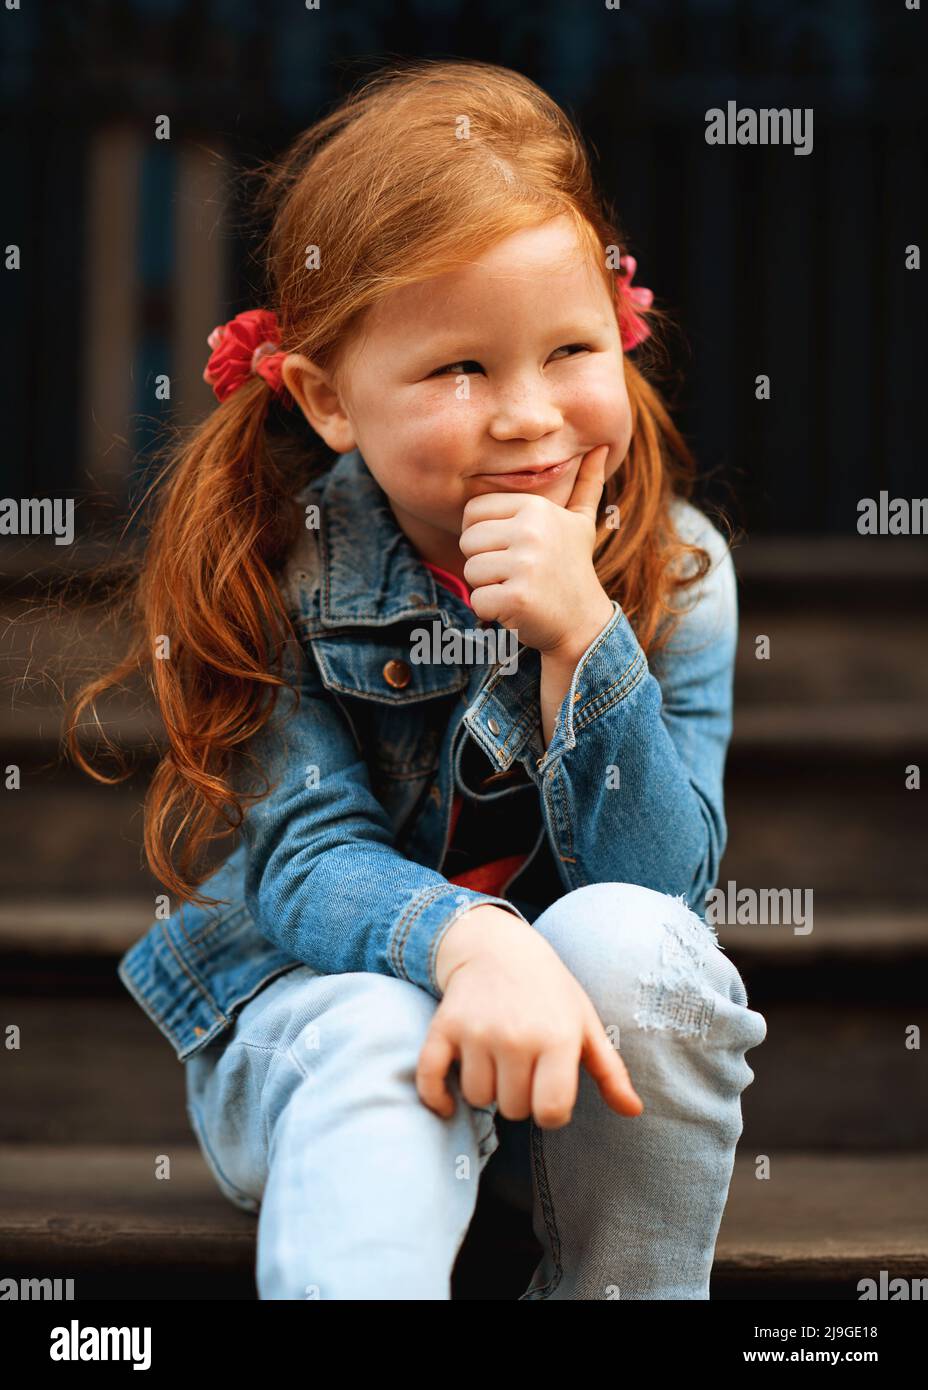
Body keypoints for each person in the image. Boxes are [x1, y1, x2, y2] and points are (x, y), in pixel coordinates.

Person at [67, 58, 767, 1300]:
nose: (528, 414)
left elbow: (669, 893)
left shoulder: (679, 574)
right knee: (381, 1027)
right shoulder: (282, 569)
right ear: (330, 399)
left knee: (627, 933)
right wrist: (466, 941)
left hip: (561, 1105)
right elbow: (305, 857)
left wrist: (583, 643)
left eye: (568, 349)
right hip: (322, 1043)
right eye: (459, 369)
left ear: (622, 333)